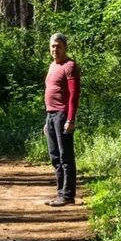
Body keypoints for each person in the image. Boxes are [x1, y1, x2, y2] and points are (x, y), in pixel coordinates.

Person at [43, 32, 80, 207]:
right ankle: (60, 193)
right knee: (55, 156)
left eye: (58, 46)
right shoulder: (52, 66)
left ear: (65, 47)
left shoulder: (70, 66)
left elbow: (74, 95)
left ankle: (68, 195)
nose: (54, 49)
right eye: (52, 46)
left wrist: (70, 119)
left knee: (66, 156)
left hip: (62, 115)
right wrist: (47, 121)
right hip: (50, 116)